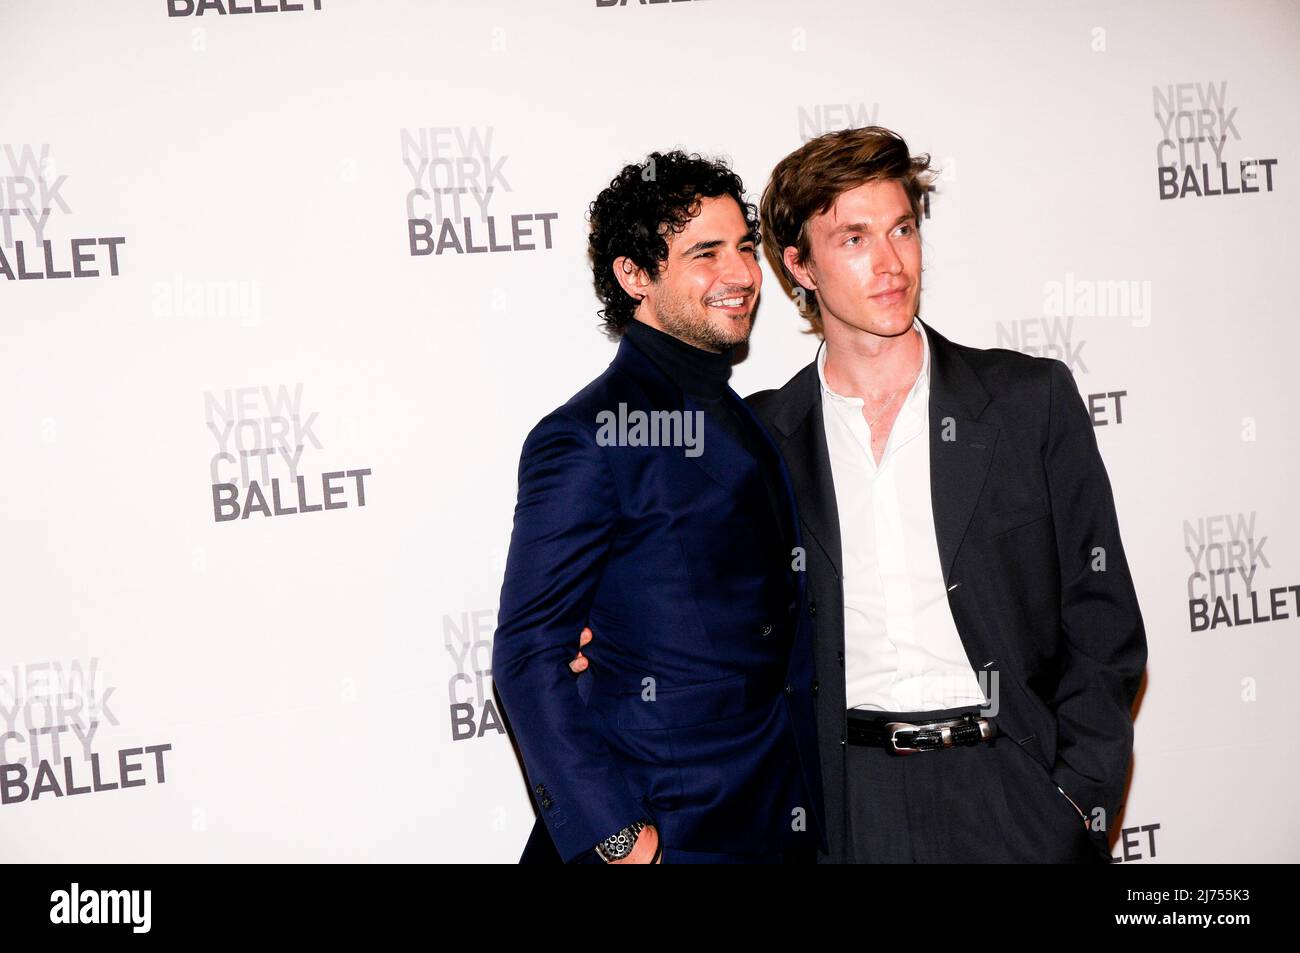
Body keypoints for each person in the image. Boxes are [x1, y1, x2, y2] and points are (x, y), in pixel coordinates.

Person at [745, 125, 1148, 862]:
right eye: (855, 239)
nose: (891, 261)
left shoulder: (1028, 402)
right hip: (848, 804)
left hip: (1012, 790)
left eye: (902, 228)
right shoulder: (762, 439)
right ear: (799, 265)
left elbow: (1103, 620)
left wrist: (1076, 802)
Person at [493, 151, 825, 864]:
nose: (740, 275)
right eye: (704, 253)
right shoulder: (585, 436)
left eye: (744, 247)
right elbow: (527, 655)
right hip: (667, 831)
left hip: (772, 823)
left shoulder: (752, 423)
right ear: (634, 275)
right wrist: (619, 838)